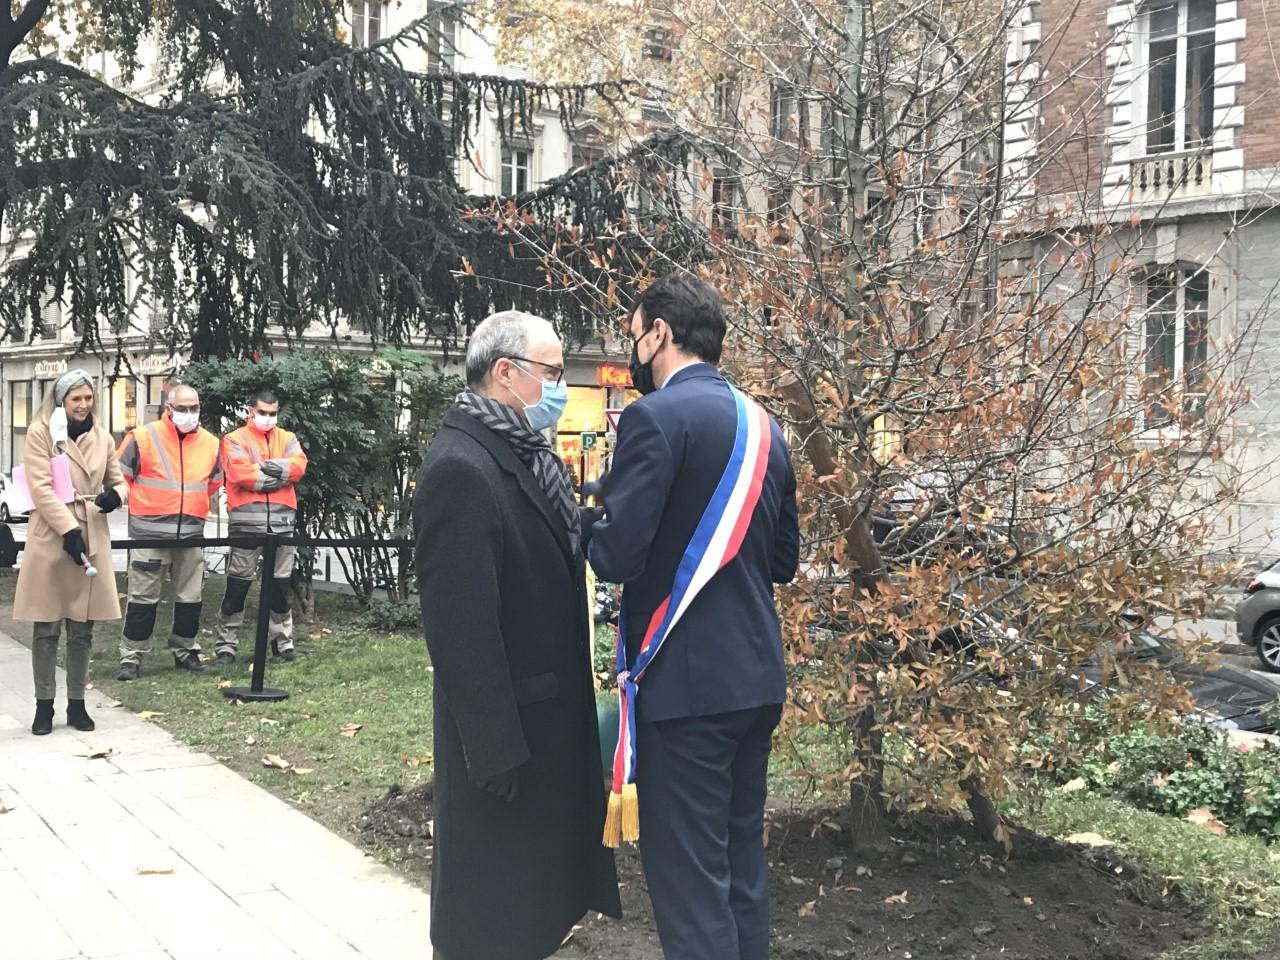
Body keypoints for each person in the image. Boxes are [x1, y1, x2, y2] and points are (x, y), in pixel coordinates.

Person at [588, 276, 800, 960]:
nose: (633, 342)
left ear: (659, 335)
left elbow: (617, 557)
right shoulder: (766, 427)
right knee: (740, 870)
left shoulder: (654, 419)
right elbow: (784, 560)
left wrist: (590, 522)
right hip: (755, 677)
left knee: (690, 883)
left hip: (685, 688)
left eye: (635, 328)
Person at [413, 310, 621, 960]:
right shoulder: (462, 469)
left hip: (544, 727)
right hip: (507, 749)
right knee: (488, 922)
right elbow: (459, 631)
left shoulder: (523, 456)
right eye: (553, 373)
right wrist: (496, 753)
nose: (560, 387)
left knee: (528, 916)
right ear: (505, 373)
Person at [15, 370, 128, 736]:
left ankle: (77, 703)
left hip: (91, 531)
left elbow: (118, 480)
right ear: (61, 400)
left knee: (82, 627)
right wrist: (67, 530)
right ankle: (43, 705)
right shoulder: (40, 433)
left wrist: (116, 497)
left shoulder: (103, 437)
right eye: (75, 398)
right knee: (46, 626)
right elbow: (41, 487)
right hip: (51, 534)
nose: (83, 405)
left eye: (88, 398)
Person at [115, 384, 224, 680]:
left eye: (194, 408)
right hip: (148, 535)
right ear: (169, 409)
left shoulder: (211, 444)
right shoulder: (142, 437)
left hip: (190, 534)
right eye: (183, 408)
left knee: (191, 598)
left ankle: (185, 650)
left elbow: (213, 482)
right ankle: (131, 657)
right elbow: (118, 476)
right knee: (141, 598)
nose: (189, 414)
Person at [215, 390, 308, 664]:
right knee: (237, 588)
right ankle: (226, 646)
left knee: (280, 589)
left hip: (282, 526)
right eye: (263, 413)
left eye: (273, 413)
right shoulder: (233, 439)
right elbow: (241, 474)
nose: (268, 418)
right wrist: (281, 475)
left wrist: (264, 469)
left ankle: (283, 643)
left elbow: (299, 467)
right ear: (250, 411)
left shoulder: (287, 438)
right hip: (246, 525)